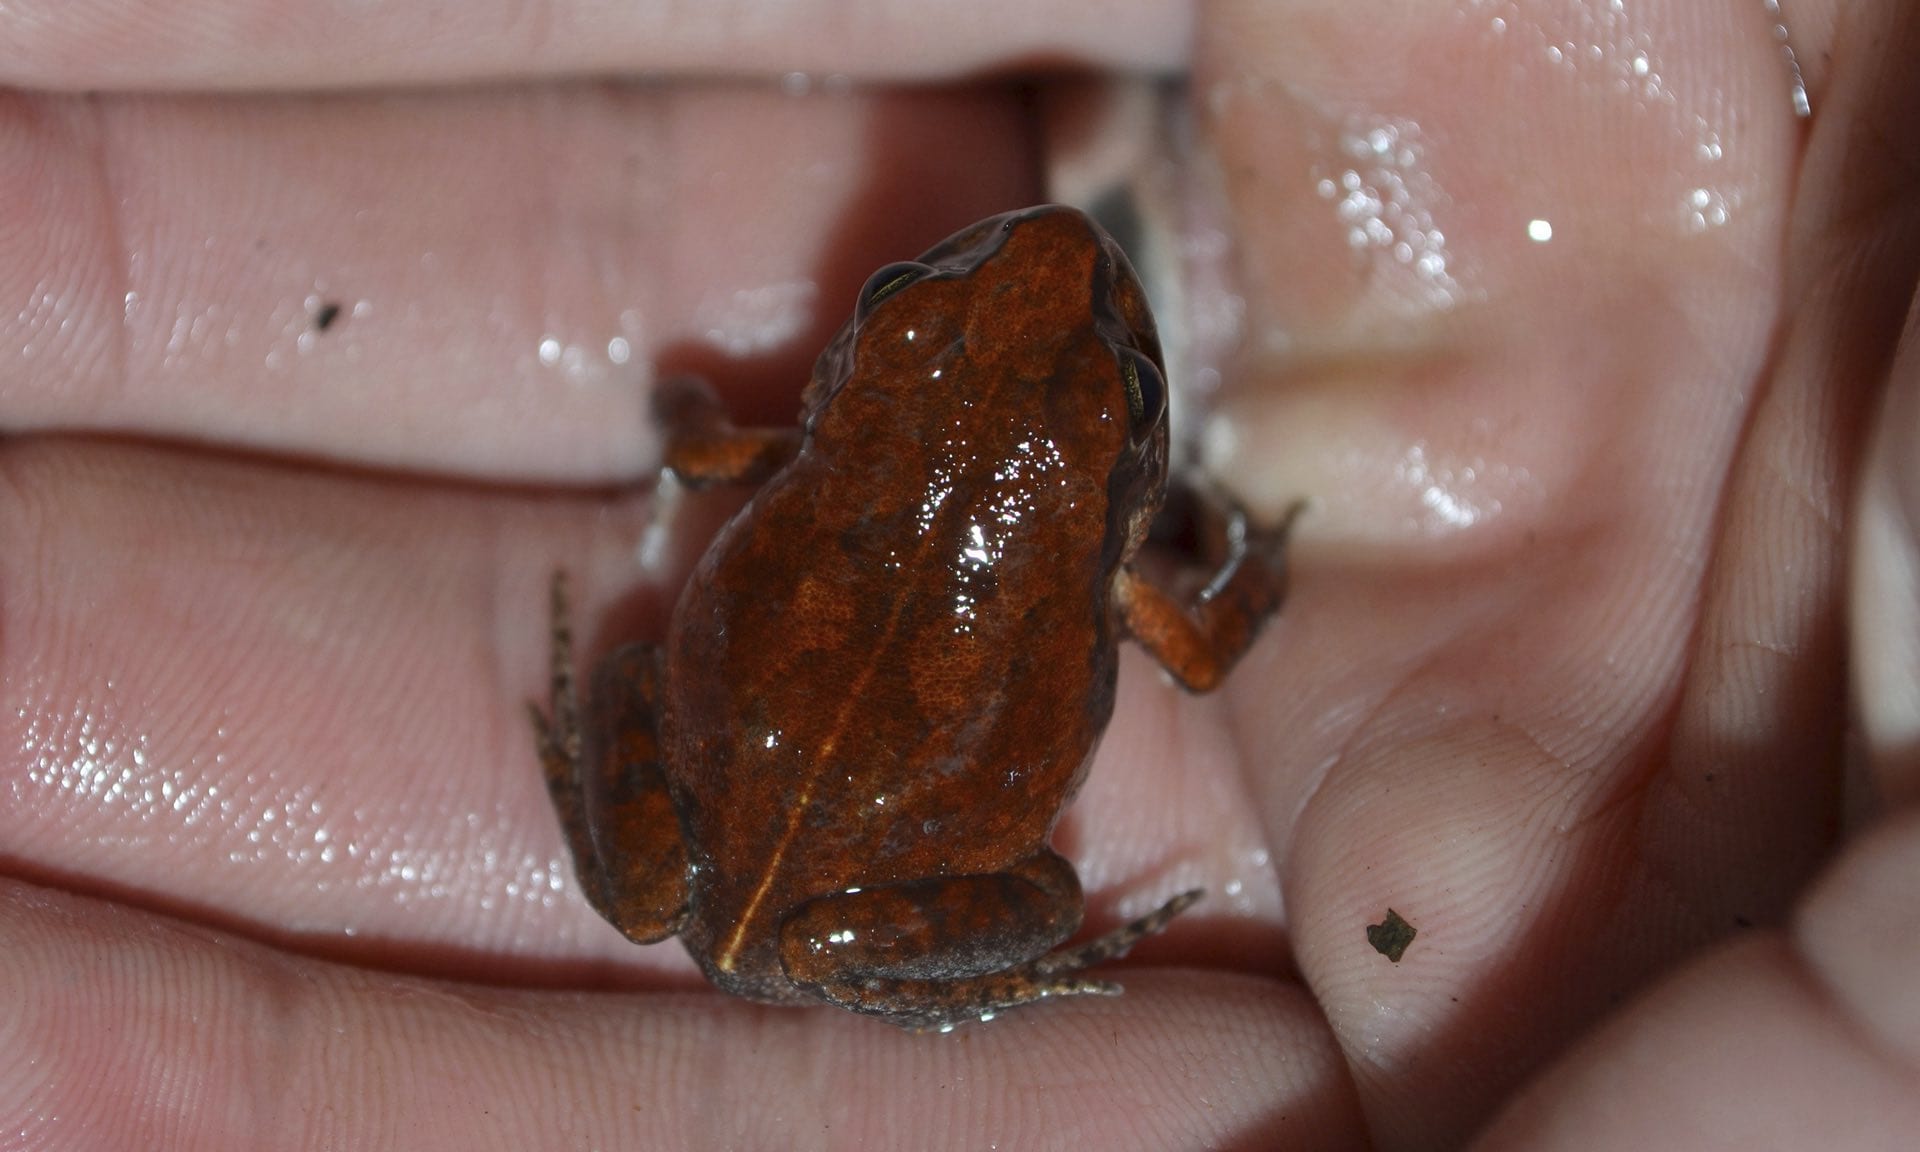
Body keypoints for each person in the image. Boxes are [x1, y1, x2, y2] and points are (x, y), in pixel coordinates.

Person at [3, 2, 1916, 1146]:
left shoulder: (790, 446)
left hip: (747, 818)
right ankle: (991, 957)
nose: (1022, 251)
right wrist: (1240, 544)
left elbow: (685, 425)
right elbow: (1225, 616)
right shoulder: (1111, 580)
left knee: (732, 887)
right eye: (910, 307)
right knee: (1020, 884)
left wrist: (682, 407)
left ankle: (787, 849)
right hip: (807, 854)